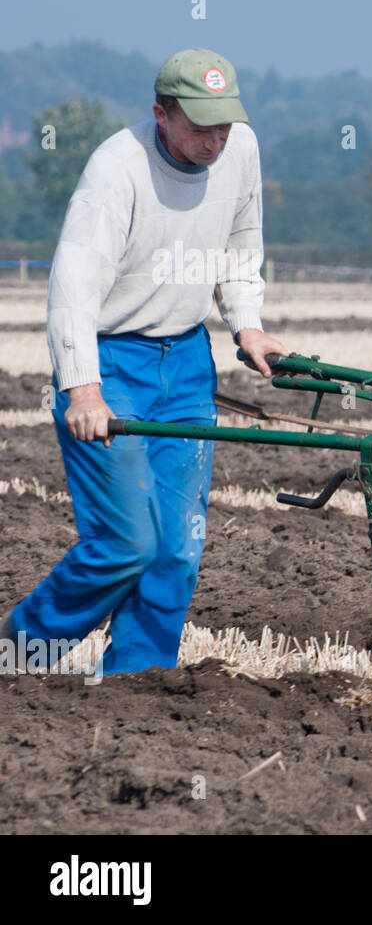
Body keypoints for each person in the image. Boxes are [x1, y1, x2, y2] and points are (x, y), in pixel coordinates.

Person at [0, 47, 286, 675]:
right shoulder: (117, 169)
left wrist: (249, 326)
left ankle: (136, 682)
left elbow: (243, 244)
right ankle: (16, 654)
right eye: (200, 125)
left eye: (225, 124)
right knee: (126, 543)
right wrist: (82, 389)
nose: (215, 140)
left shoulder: (241, 150)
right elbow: (72, 284)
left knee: (176, 550)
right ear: (161, 114)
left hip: (186, 360)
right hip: (112, 360)